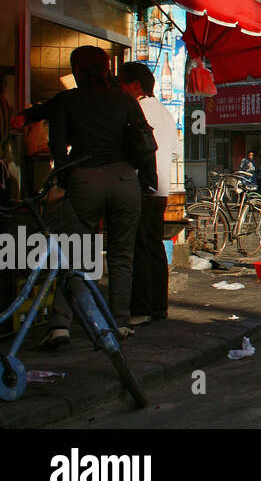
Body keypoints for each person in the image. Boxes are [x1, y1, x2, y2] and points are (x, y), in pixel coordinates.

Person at [13, 46, 153, 346]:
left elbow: (57, 144)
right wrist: (146, 183)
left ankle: (62, 325)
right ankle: (119, 322)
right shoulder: (125, 100)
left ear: (77, 69)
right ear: (106, 71)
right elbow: (145, 142)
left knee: (75, 253)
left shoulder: (68, 101)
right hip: (125, 180)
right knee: (121, 256)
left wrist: (67, 180)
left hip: (85, 178)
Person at [118, 62, 178, 326]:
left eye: (121, 83)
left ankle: (141, 309)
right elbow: (174, 151)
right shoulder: (164, 112)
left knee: (141, 247)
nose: (119, 89)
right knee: (153, 246)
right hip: (162, 188)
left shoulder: (136, 109)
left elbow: (133, 149)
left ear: (135, 85)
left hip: (143, 187)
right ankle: (158, 306)